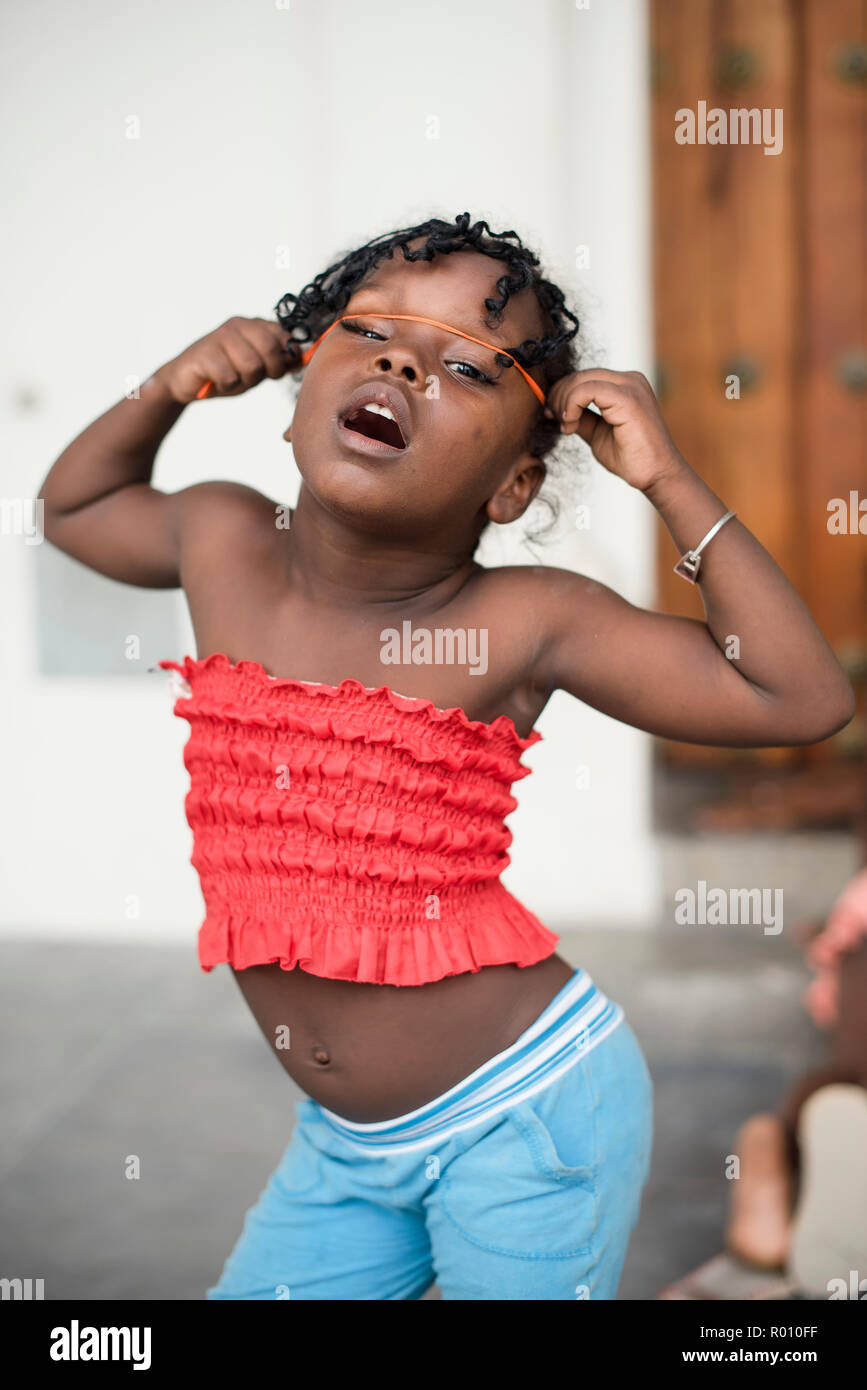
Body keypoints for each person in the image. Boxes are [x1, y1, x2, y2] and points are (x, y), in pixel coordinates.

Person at [38, 212, 855, 1300]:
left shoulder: (525, 618)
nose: (403, 360)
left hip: (529, 1117)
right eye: (371, 330)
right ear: (296, 387)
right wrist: (169, 383)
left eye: (468, 365)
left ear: (514, 485)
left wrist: (668, 480)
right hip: (344, 1146)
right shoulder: (221, 539)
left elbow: (798, 695)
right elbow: (72, 506)